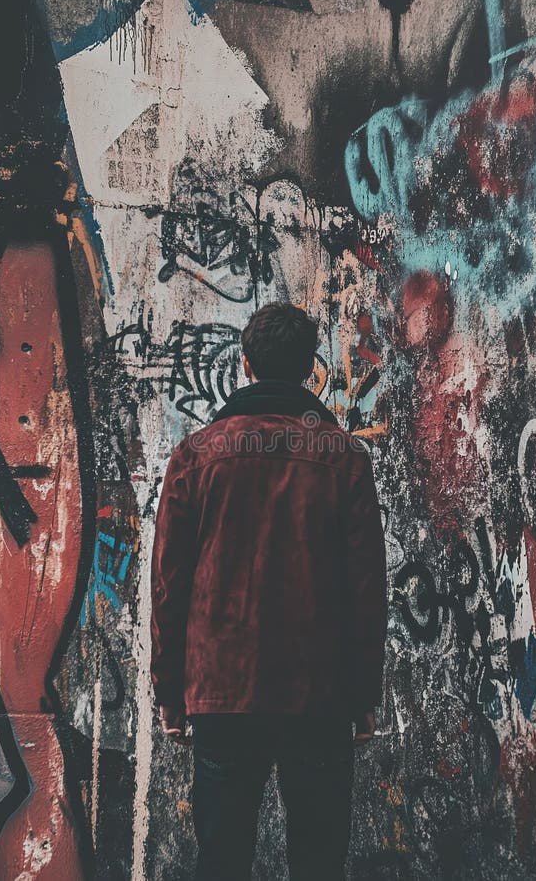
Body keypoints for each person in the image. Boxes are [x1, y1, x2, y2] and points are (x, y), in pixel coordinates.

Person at [150, 302, 388, 881]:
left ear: (245, 363)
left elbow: (169, 586)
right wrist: (362, 696)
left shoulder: (196, 456)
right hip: (320, 693)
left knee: (223, 859)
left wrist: (170, 690)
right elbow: (366, 591)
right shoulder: (345, 459)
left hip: (222, 692)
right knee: (318, 862)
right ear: (311, 369)